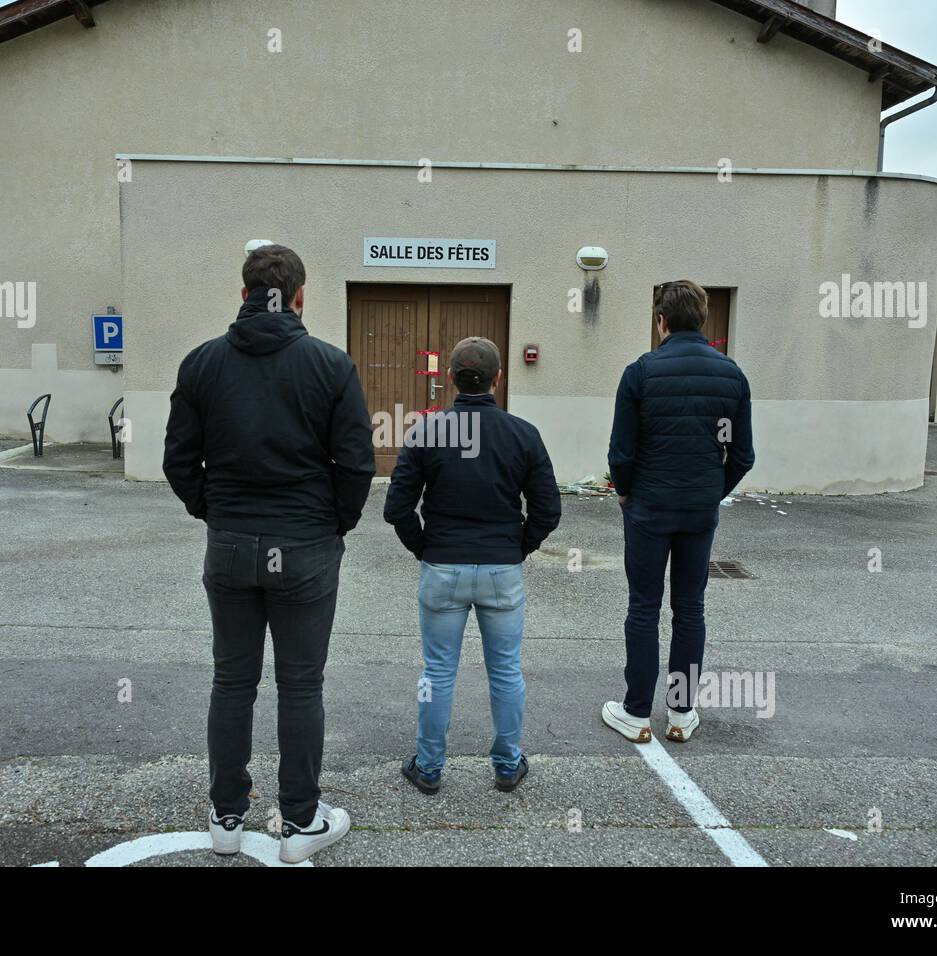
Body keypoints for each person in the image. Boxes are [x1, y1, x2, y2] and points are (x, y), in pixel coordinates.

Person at [163, 244, 375, 864]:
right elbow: (357, 463)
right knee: (300, 684)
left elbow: (179, 460)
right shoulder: (330, 366)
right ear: (300, 295)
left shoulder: (202, 364)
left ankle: (227, 815)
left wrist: (217, 512)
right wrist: (330, 523)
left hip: (231, 545)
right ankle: (302, 821)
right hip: (305, 545)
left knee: (232, 679)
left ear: (244, 292)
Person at [384, 337, 561, 794]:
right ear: (498, 378)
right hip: (501, 570)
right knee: (505, 670)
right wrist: (519, 547)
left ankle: (428, 767)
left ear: (450, 378)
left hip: (442, 566)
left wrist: (424, 547)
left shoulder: (426, 432)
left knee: (436, 672)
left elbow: (397, 506)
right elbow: (548, 509)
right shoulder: (523, 433)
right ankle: (506, 765)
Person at [602, 280, 754, 745]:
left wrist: (626, 493)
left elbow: (621, 452)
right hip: (698, 511)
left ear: (661, 320)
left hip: (648, 508)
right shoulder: (732, 376)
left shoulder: (641, 373)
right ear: (703, 320)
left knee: (643, 608)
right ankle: (682, 711)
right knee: (690, 609)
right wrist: (712, 490)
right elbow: (741, 454)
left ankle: (635, 712)